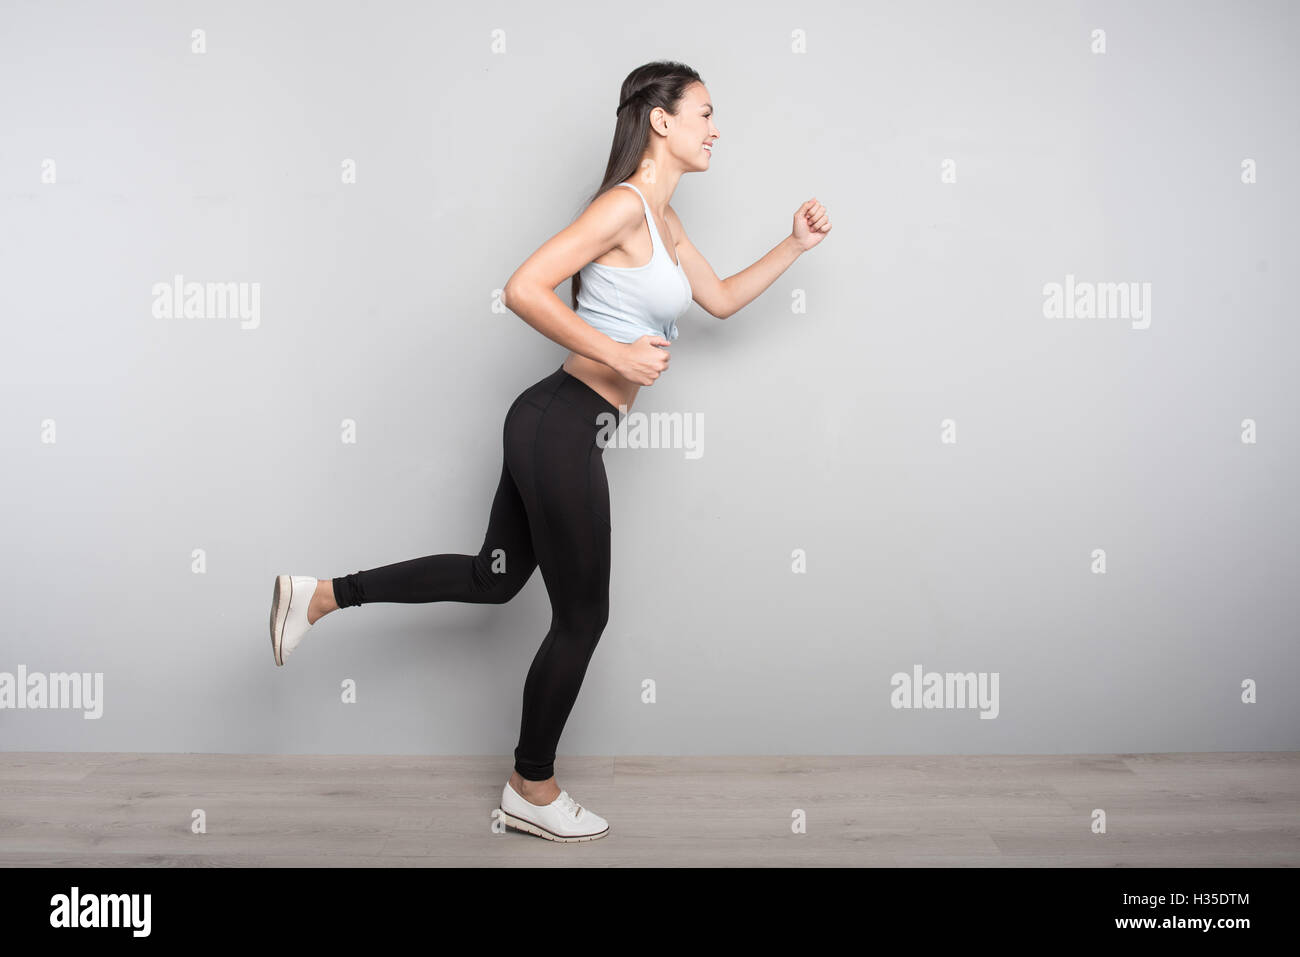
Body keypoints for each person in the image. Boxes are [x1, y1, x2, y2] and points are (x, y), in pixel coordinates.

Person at [268, 59, 832, 843]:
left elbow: (724, 300)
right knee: (584, 613)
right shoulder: (623, 207)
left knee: (491, 579)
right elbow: (524, 286)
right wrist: (622, 355)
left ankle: (321, 595)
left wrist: (793, 245)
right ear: (661, 122)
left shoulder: (665, 223)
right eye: (704, 112)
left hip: (561, 426)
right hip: (560, 422)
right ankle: (531, 785)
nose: (715, 128)